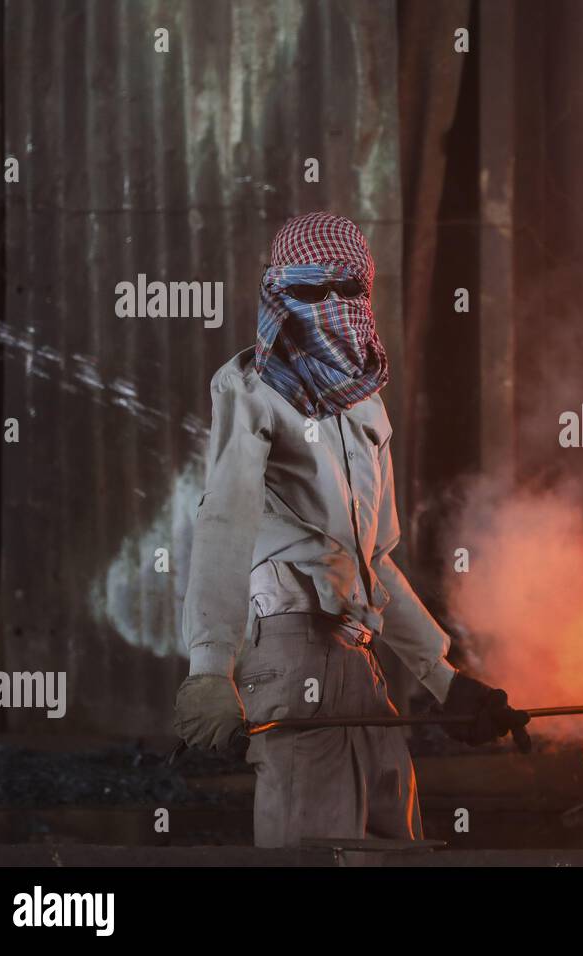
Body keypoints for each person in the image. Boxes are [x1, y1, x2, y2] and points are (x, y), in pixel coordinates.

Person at [172, 212, 529, 848]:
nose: (331, 308)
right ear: (279, 293)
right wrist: (209, 668)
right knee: (317, 853)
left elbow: (376, 560)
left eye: (347, 291)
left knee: (396, 842)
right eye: (311, 293)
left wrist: (444, 680)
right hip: (288, 647)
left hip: (360, 659)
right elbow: (224, 525)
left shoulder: (366, 403)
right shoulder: (253, 390)